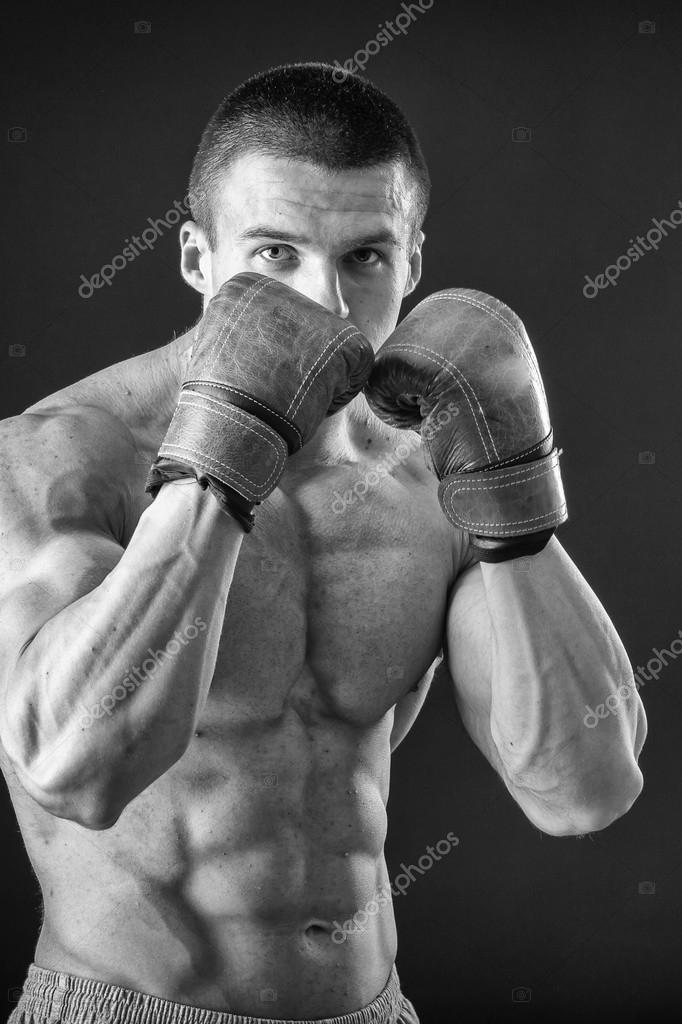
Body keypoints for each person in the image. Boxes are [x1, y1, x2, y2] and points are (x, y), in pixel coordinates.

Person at [0, 62, 646, 1024]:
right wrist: (224, 455)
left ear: (414, 262)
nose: (329, 308)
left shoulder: (434, 474)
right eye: (273, 255)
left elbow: (583, 789)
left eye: (366, 258)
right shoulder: (61, 457)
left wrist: (512, 492)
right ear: (196, 260)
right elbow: (73, 772)